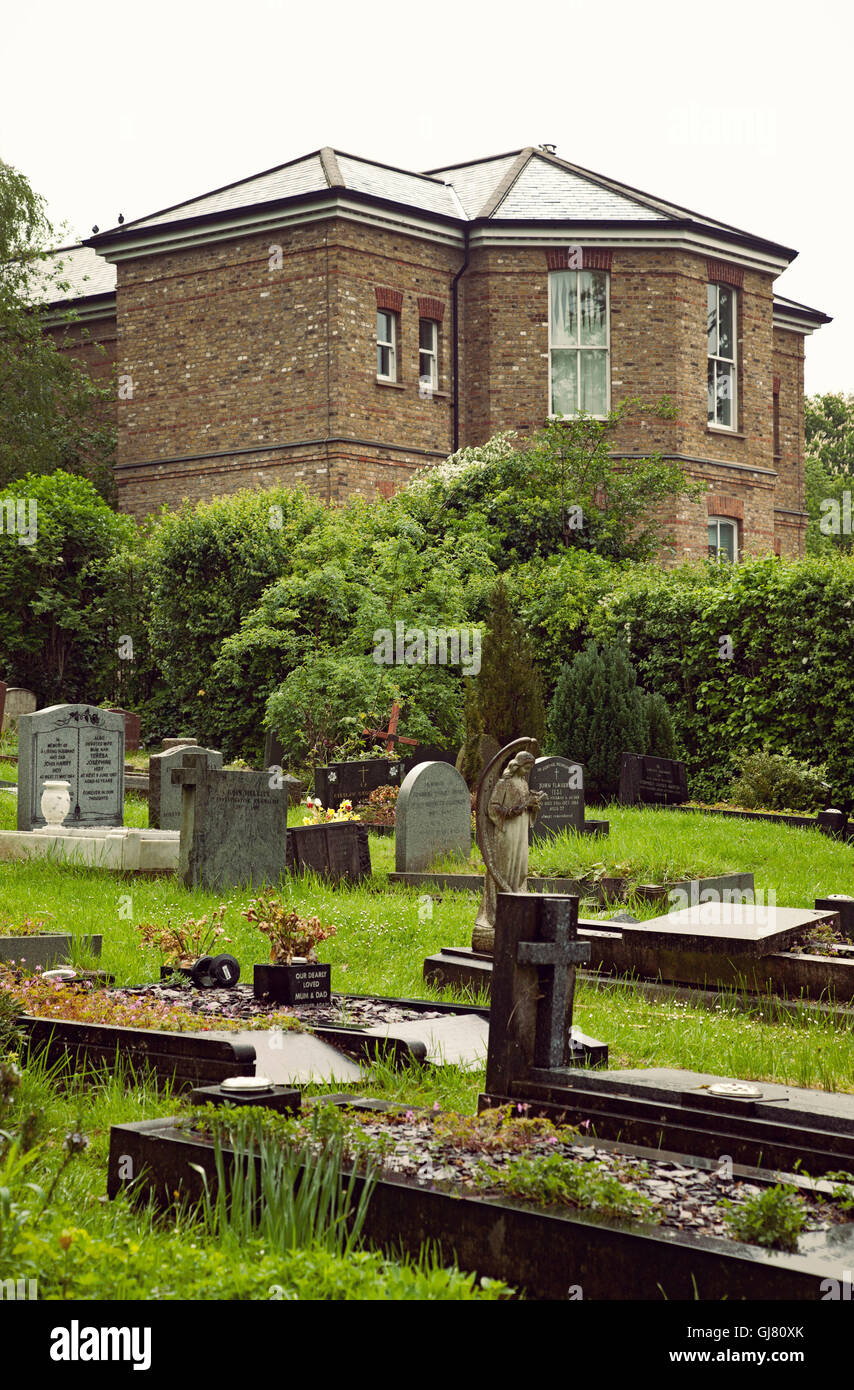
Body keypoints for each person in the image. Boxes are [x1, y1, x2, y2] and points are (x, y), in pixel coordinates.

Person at [472, 750, 545, 953]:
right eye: (526, 767)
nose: (527, 772)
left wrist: (534, 806)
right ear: (517, 765)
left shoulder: (523, 783)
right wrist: (520, 807)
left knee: (520, 867)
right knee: (504, 867)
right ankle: (498, 913)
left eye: (530, 769)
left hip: (520, 832)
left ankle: (517, 904)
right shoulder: (504, 783)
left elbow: (526, 809)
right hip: (506, 833)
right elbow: (493, 808)